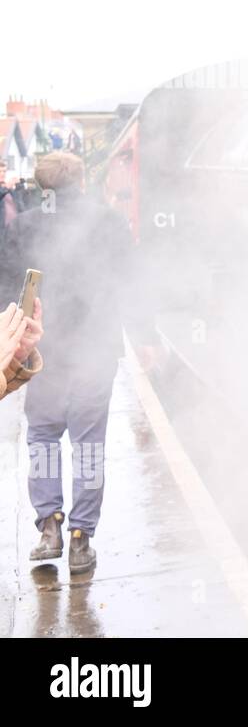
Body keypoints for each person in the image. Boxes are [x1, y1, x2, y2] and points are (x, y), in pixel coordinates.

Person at [0, 151, 140, 574]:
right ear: (80, 182)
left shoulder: (23, 226)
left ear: (42, 187)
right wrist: (145, 338)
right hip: (95, 349)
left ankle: (49, 526)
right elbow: (129, 282)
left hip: (43, 352)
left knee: (42, 437)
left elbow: (8, 285)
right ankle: (82, 536)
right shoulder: (110, 221)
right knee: (89, 444)